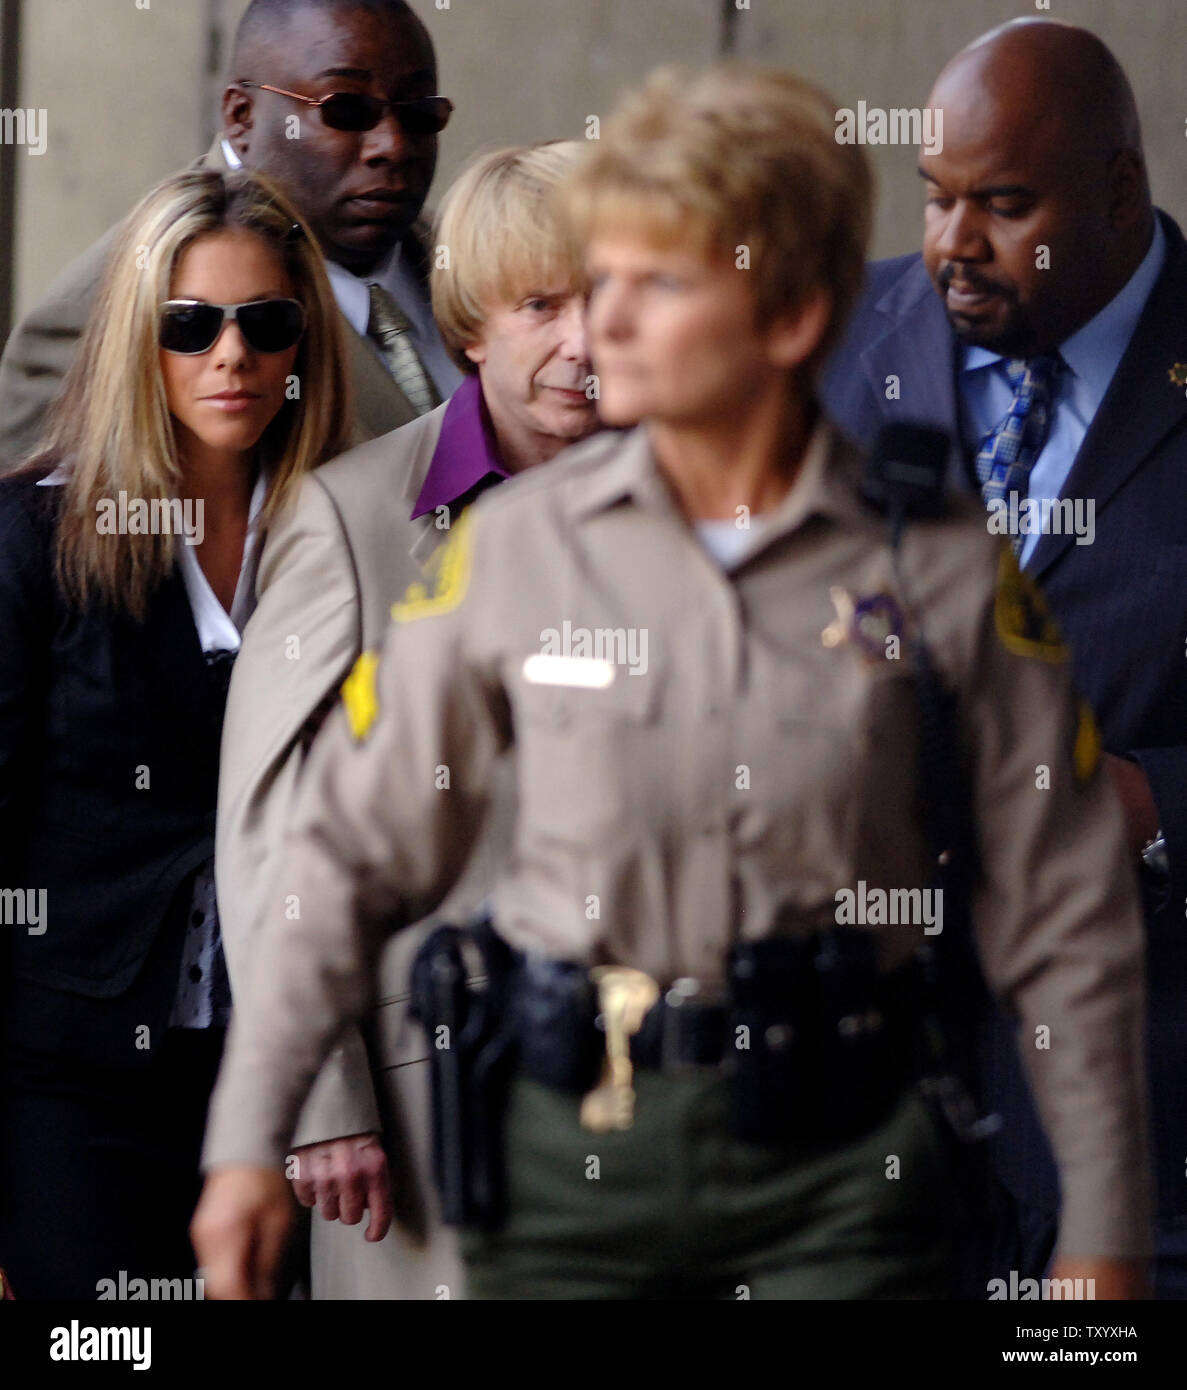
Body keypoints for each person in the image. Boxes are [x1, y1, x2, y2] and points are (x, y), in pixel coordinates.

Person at [192, 62, 1151, 1301]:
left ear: (787, 317)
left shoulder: (938, 568)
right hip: (570, 1155)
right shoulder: (509, 556)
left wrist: (1103, 1226)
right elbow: (340, 857)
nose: (603, 327)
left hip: (844, 1173)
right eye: (596, 282)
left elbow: (1064, 916)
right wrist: (248, 1141)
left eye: (654, 286)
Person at [821, 17, 1187, 1298]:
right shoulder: (836, 340)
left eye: (1003, 205)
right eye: (935, 196)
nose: (951, 243)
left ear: (1118, 192)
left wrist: (1143, 807)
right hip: (867, 1133)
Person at [215, 140, 600, 1299]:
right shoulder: (352, 518)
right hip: (426, 1111)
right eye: (542, 306)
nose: (585, 341)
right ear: (471, 326)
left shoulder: (701, 507)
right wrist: (321, 1094)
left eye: (610, 297)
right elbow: (272, 827)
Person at [0, 167, 350, 1299]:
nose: (231, 356)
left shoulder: (347, 536)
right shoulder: (30, 539)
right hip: (67, 1075)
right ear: (132, 341)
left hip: (285, 1075)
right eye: (189, 325)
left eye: (266, 323)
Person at [0, 0, 459, 472]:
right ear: (242, 116)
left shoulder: (468, 259)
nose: (392, 145)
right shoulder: (98, 312)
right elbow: (42, 511)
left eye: (420, 113)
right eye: (345, 109)